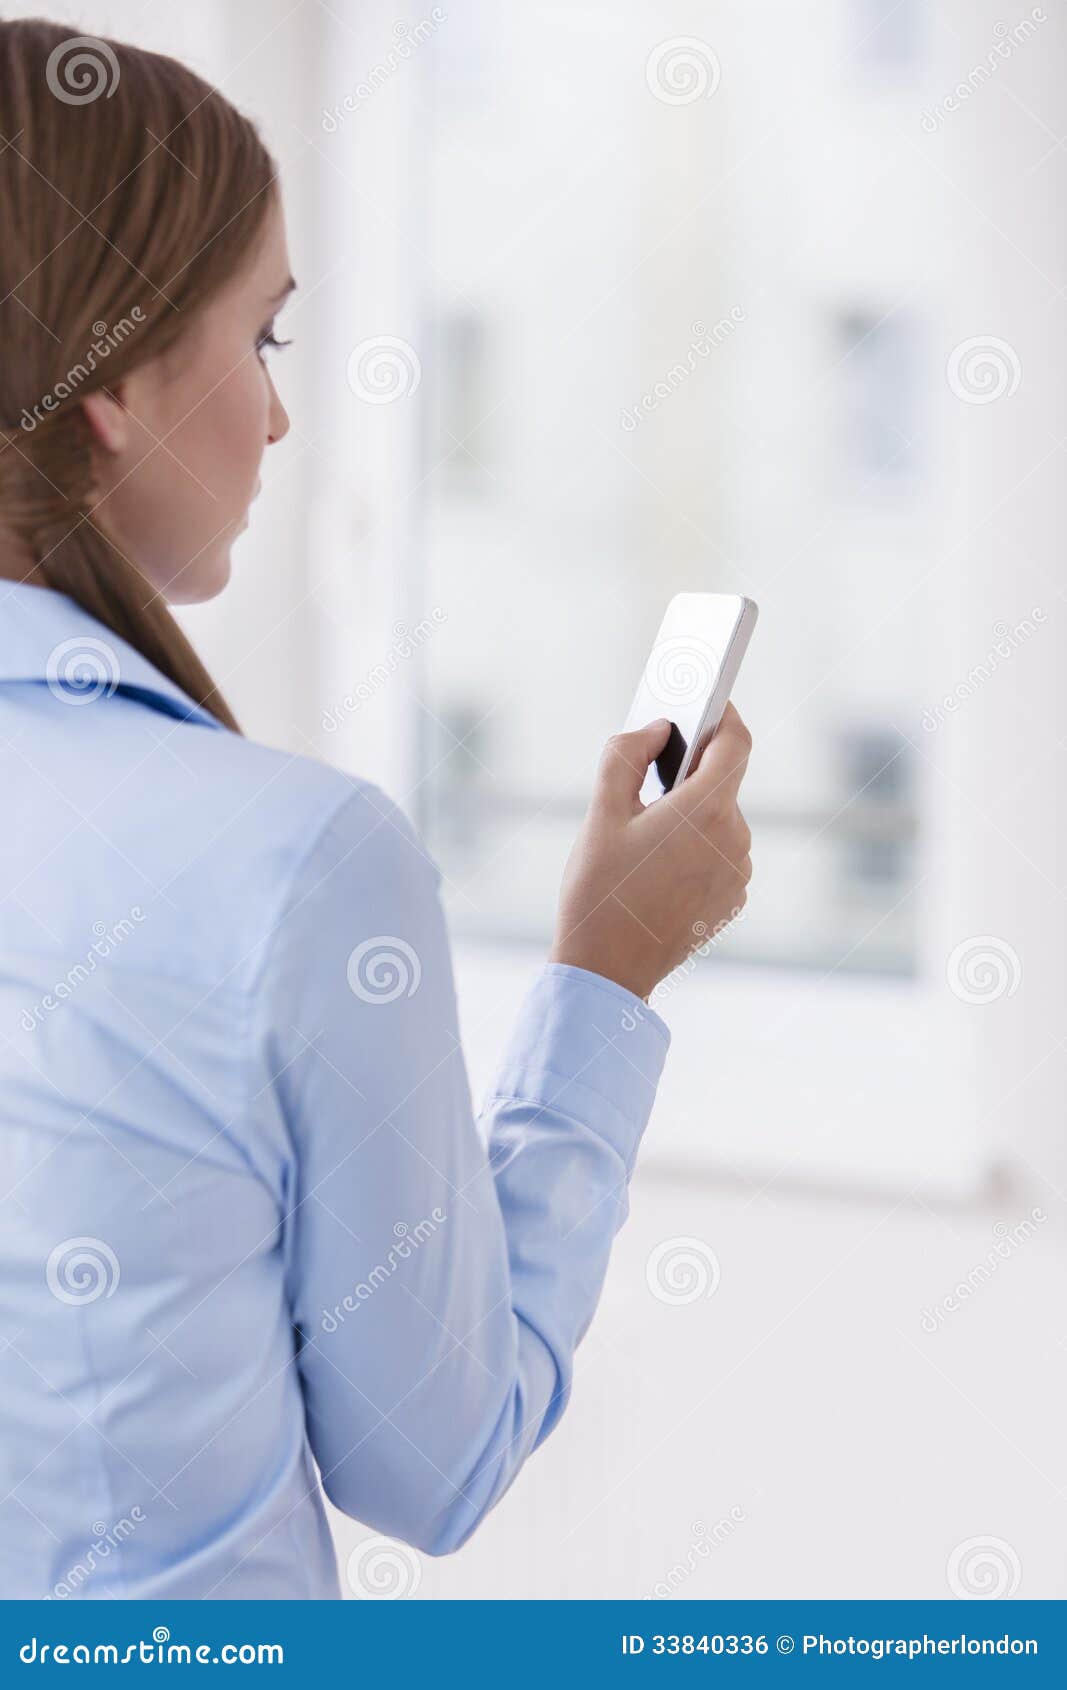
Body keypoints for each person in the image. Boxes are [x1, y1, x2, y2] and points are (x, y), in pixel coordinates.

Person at [0, 19, 752, 1599]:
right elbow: (438, 1453)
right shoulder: (291, 860)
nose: (277, 420)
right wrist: (604, 980)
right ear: (115, 382)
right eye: (262, 340)